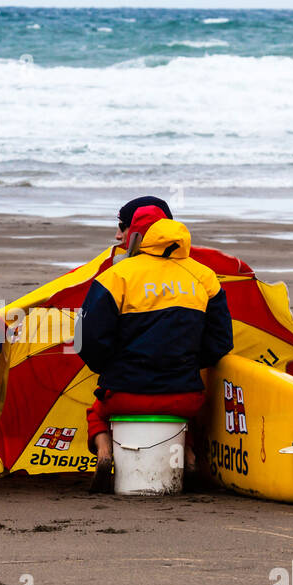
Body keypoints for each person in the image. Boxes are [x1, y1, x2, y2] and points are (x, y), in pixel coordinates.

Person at [76, 204, 233, 493]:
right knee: (195, 413)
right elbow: (221, 343)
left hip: (125, 396)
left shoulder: (116, 276)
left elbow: (86, 340)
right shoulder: (205, 277)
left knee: (97, 410)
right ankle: (188, 454)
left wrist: (108, 368)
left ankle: (104, 453)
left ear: (136, 237)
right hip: (184, 398)